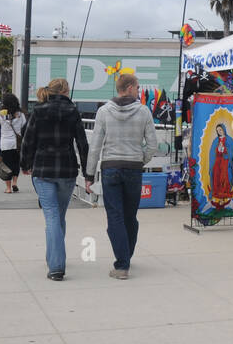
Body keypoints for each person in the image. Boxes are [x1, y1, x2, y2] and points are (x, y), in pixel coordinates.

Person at [84, 72, 157, 280]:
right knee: (130, 216)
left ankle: (122, 262)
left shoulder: (104, 111)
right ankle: (127, 256)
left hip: (111, 168)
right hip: (133, 168)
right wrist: (141, 159)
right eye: (137, 87)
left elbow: (95, 146)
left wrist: (89, 174)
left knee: (114, 216)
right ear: (130, 88)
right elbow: (152, 144)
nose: (139, 90)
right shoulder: (144, 111)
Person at [21, 78, 89, 281]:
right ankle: (55, 258)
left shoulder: (39, 111)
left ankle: (56, 264)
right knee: (59, 216)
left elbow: (28, 139)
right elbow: (82, 143)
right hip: (67, 170)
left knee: (51, 216)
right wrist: (88, 172)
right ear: (66, 91)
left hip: (43, 169)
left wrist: (25, 164)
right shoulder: (72, 111)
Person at [0, 93, 28, 194]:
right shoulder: (20, 114)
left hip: (5, 144)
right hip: (17, 144)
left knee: (7, 165)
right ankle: (15, 182)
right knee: (16, 164)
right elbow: (24, 125)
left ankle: (8, 188)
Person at [210, 123, 233, 208]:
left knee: (224, 178)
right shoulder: (215, 140)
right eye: (217, 131)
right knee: (217, 177)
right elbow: (212, 153)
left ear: (224, 129)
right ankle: (218, 196)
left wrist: (225, 149)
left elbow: (232, 152)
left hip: (225, 162)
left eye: (220, 130)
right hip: (217, 161)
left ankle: (224, 197)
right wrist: (218, 148)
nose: (219, 132)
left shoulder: (229, 140)